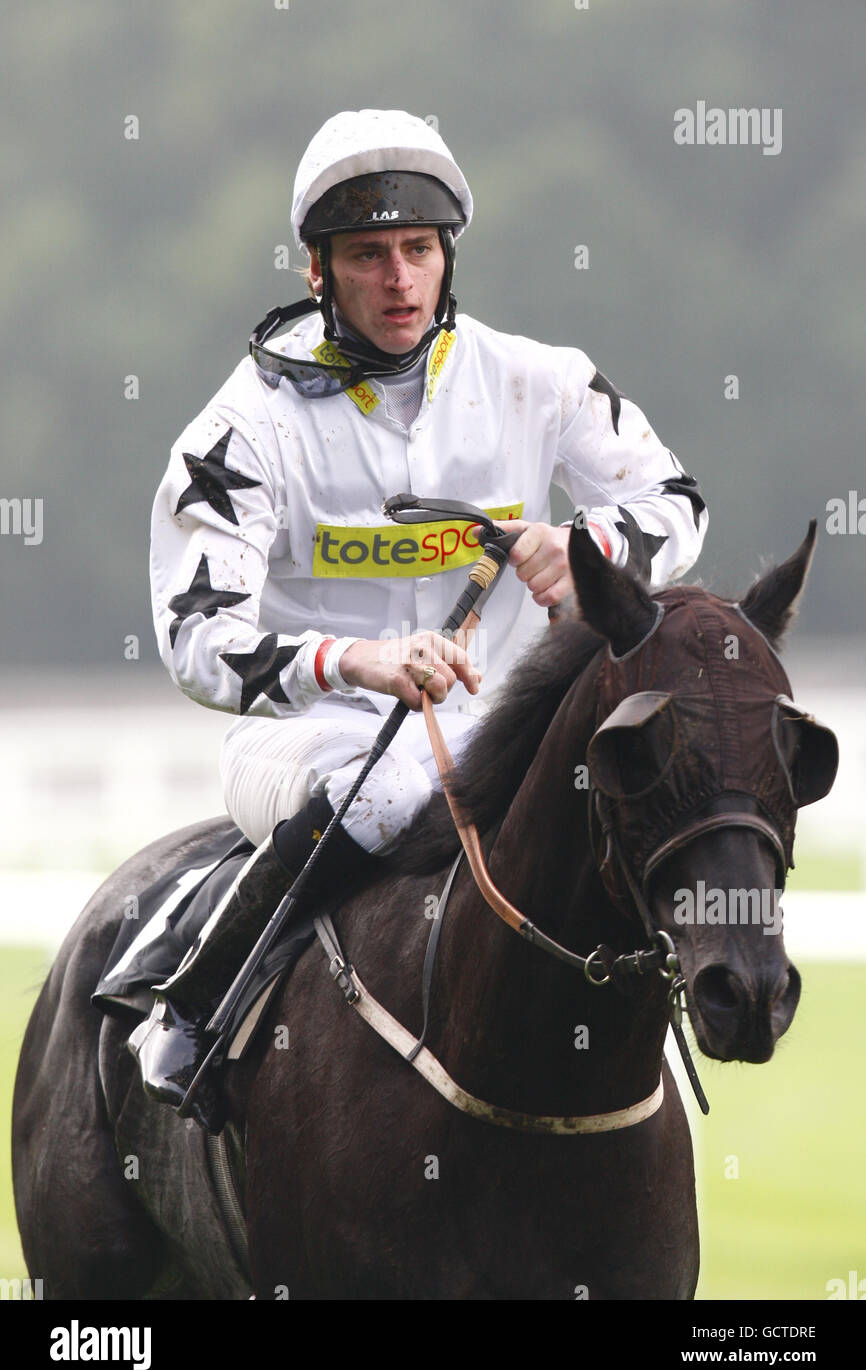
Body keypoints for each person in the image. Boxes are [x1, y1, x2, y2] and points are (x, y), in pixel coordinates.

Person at [129, 109, 707, 1131]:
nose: (398, 280)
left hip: (509, 729)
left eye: (417, 250)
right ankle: (196, 1001)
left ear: (445, 257)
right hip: (310, 741)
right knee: (394, 788)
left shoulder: (542, 380)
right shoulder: (240, 429)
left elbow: (677, 504)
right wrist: (358, 658)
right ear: (317, 270)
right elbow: (194, 638)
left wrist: (588, 547)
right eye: (366, 255)